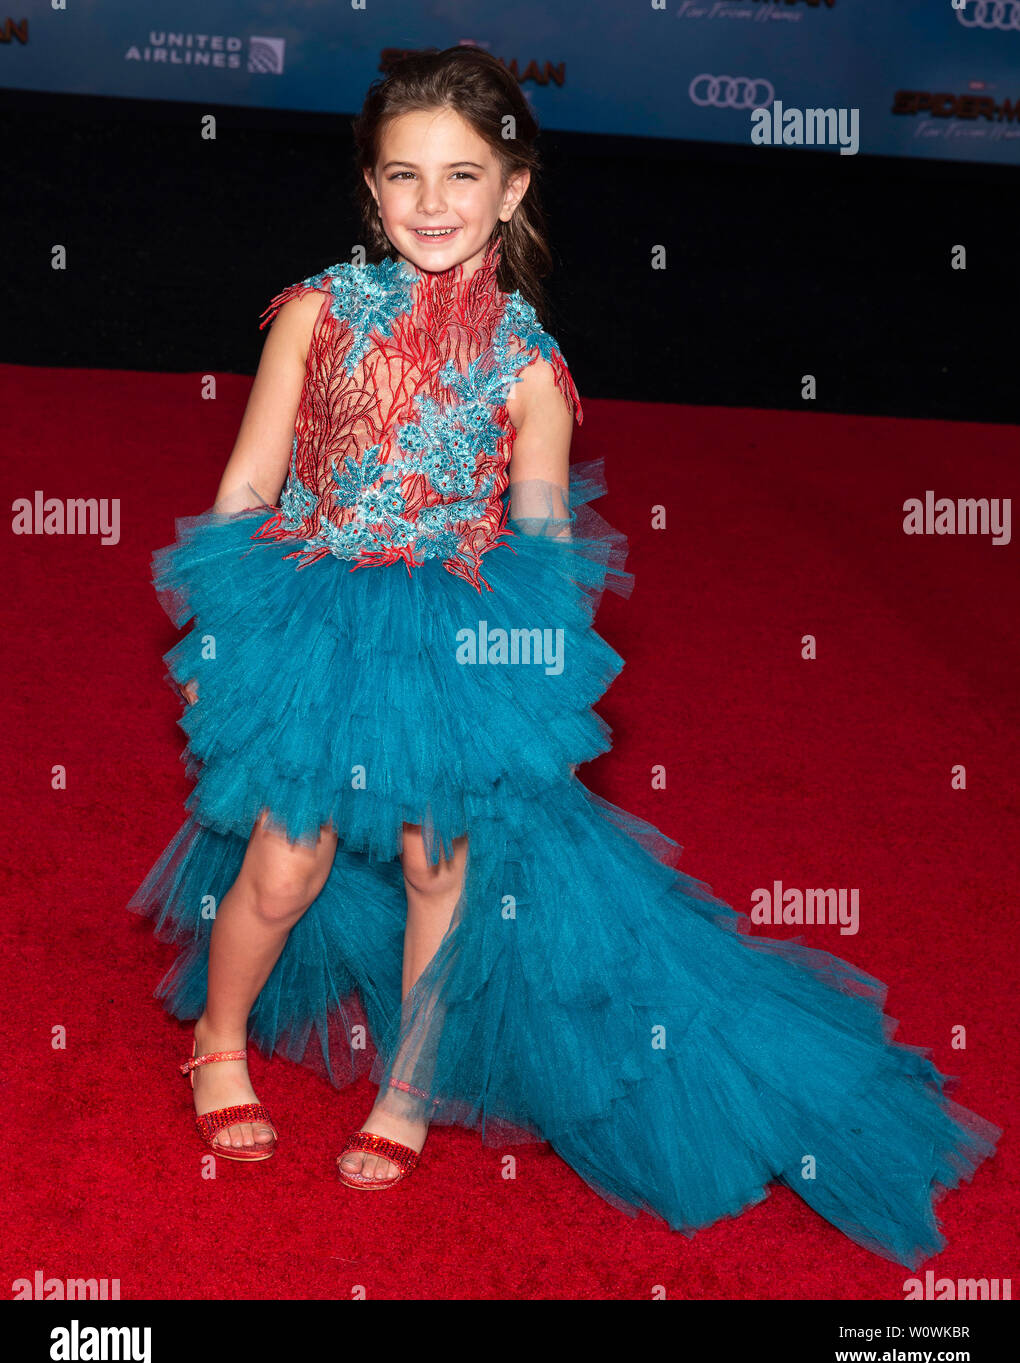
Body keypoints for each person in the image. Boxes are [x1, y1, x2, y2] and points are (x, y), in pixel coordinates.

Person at [129, 46, 998, 1264]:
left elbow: (543, 543)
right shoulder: (314, 315)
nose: (432, 203)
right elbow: (245, 485)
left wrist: (528, 687)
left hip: (461, 635)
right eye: (404, 176)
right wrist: (215, 633)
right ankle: (217, 1035)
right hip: (316, 619)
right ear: (371, 191)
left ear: (514, 188)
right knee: (282, 860)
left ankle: (412, 1089)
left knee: (445, 865)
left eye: (463, 175)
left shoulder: (532, 367)